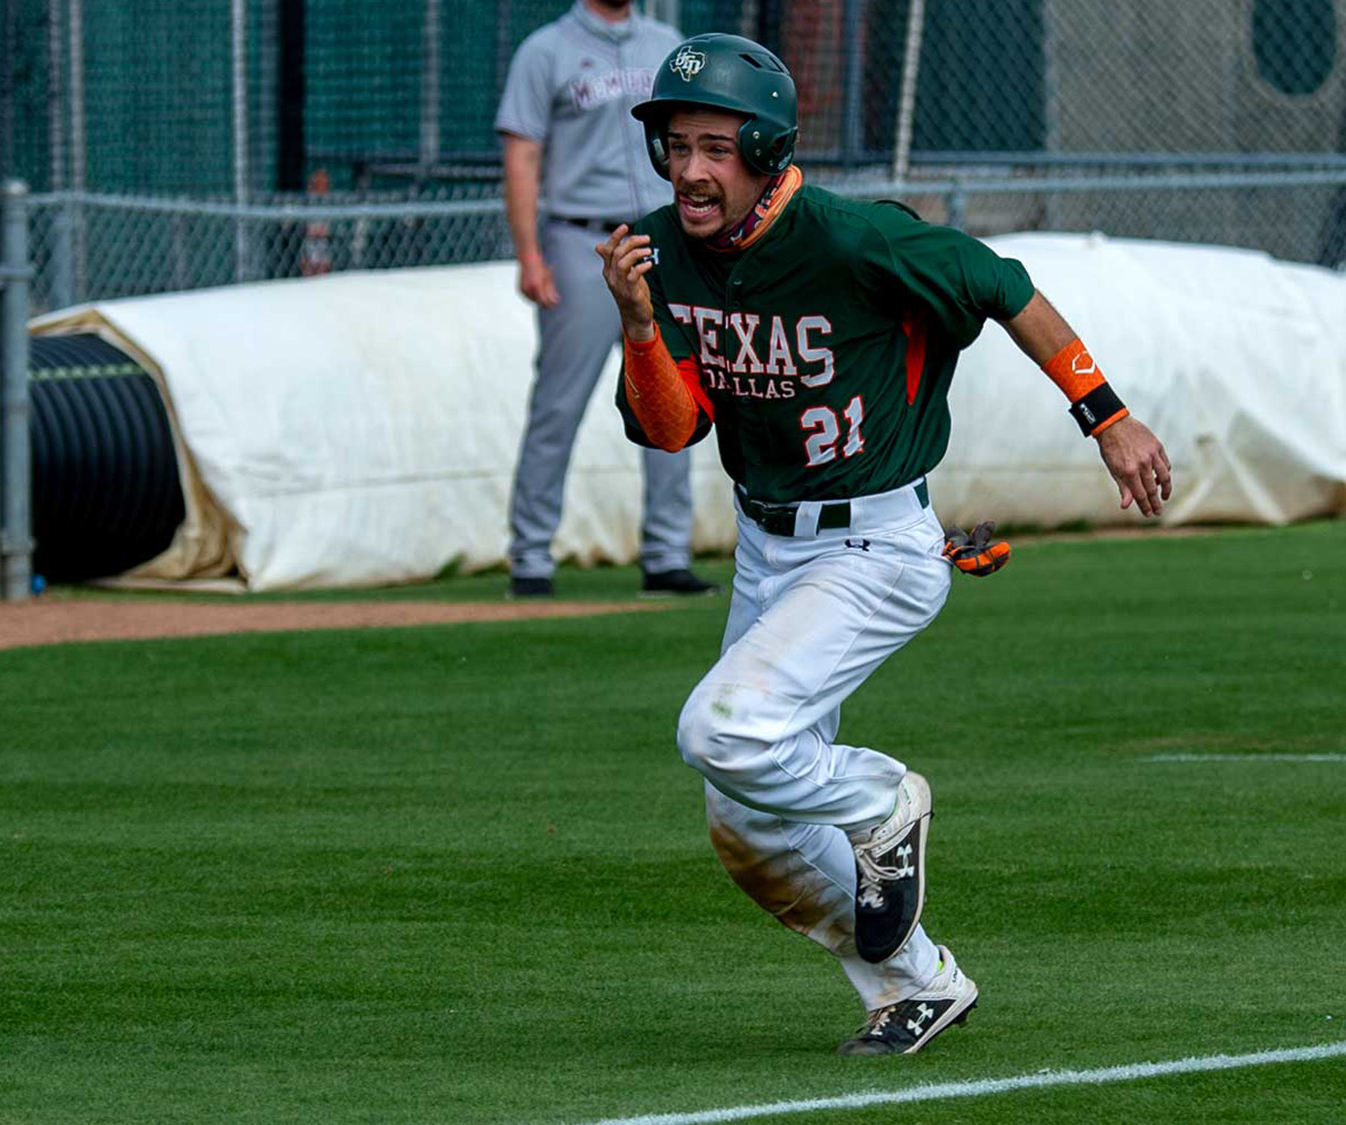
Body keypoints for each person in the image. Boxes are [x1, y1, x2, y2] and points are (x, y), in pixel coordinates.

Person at [598, 33, 1173, 1055]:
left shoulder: (855, 241)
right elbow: (670, 427)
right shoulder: (657, 254)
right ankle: (916, 984)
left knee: (720, 730)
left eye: (716, 147)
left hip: (874, 547)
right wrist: (640, 324)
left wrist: (1108, 416)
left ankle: (880, 799)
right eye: (676, 144)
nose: (690, 168)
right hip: (767, 549)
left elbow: (1002, 287)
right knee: (743, 820)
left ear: (768, 150)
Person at [494, 0, 713, 599]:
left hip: (660, 239)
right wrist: (529, 255)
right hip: (579, 239)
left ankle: (667, 557)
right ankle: (531, 558)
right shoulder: (546, 50)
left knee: (674, 396)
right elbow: (522, 155)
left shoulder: (668, 42)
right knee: (559, 405)